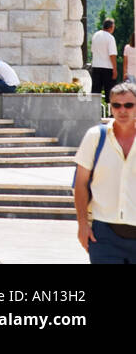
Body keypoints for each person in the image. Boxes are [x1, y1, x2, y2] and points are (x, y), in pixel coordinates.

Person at [73, 80, 136, 263]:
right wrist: (83, 224)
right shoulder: (95, 136)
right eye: (116, 105)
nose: (122, 110)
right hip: (104, 236)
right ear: (110, 107)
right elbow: (81, 183)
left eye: (129, 105)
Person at [92, 19, 119, 103]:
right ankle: (111, 112)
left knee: (96, 90)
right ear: (111, 27)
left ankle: (94, 110)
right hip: (107, 67)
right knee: (110, 91)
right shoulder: (110, 38)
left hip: (96, 66)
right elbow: (112, 55)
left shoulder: (95, 35)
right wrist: (115, 69)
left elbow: (92, 50)